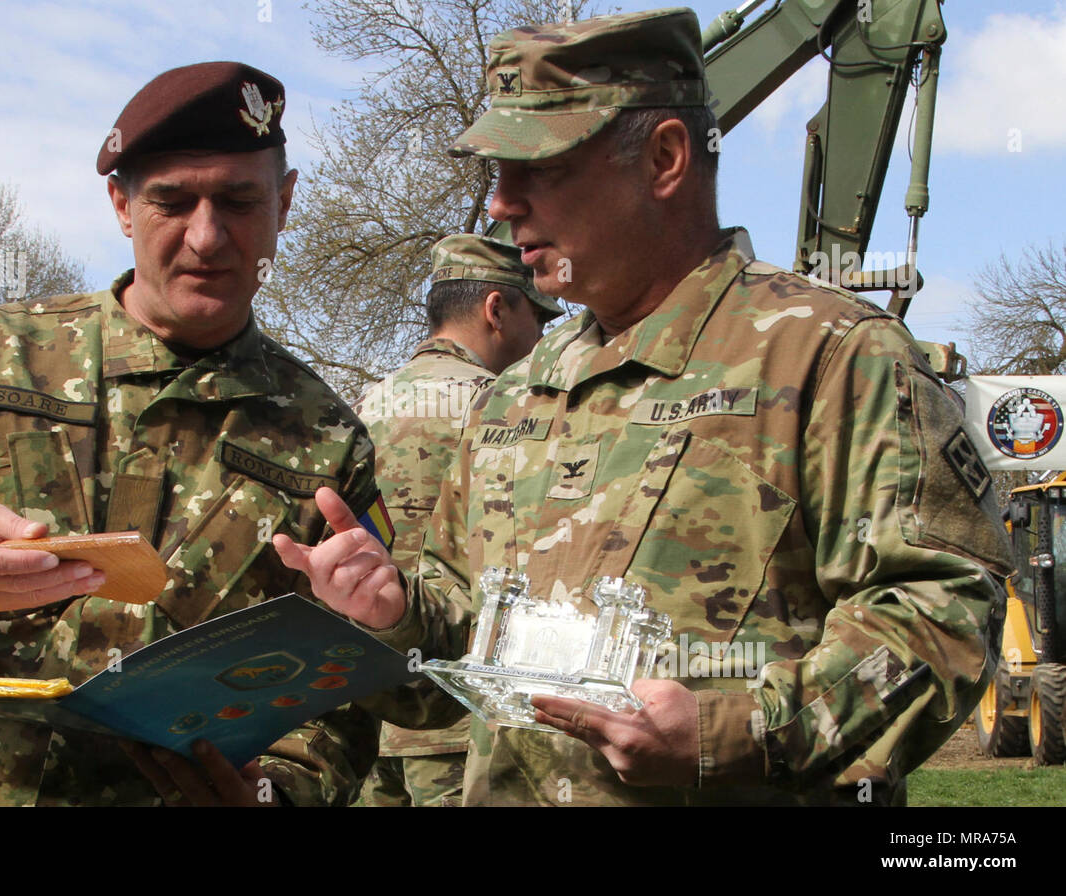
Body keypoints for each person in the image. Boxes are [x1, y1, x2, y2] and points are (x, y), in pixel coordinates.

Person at [276, 9, 1015, 806]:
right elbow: (460, 658)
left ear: (664, 157)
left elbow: (943, 615)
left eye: (540, 168)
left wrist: (738, 733)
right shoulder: (516, 393)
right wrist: (394, 615)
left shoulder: (834, 358)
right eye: (496, 170)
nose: (502, 202)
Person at [0, 62, 386, 807]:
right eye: (171, 202)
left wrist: (274, 794)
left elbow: (341, 686)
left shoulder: (328, 438)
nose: (206, 238)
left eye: (239, 201)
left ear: (285, 201)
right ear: (120, 203)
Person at [355, 234, 560, 806]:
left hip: (367, 705)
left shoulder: (359, 404)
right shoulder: (504, 408)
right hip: (457, 713)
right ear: (497, 309)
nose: (540, 337)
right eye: (537, 317)